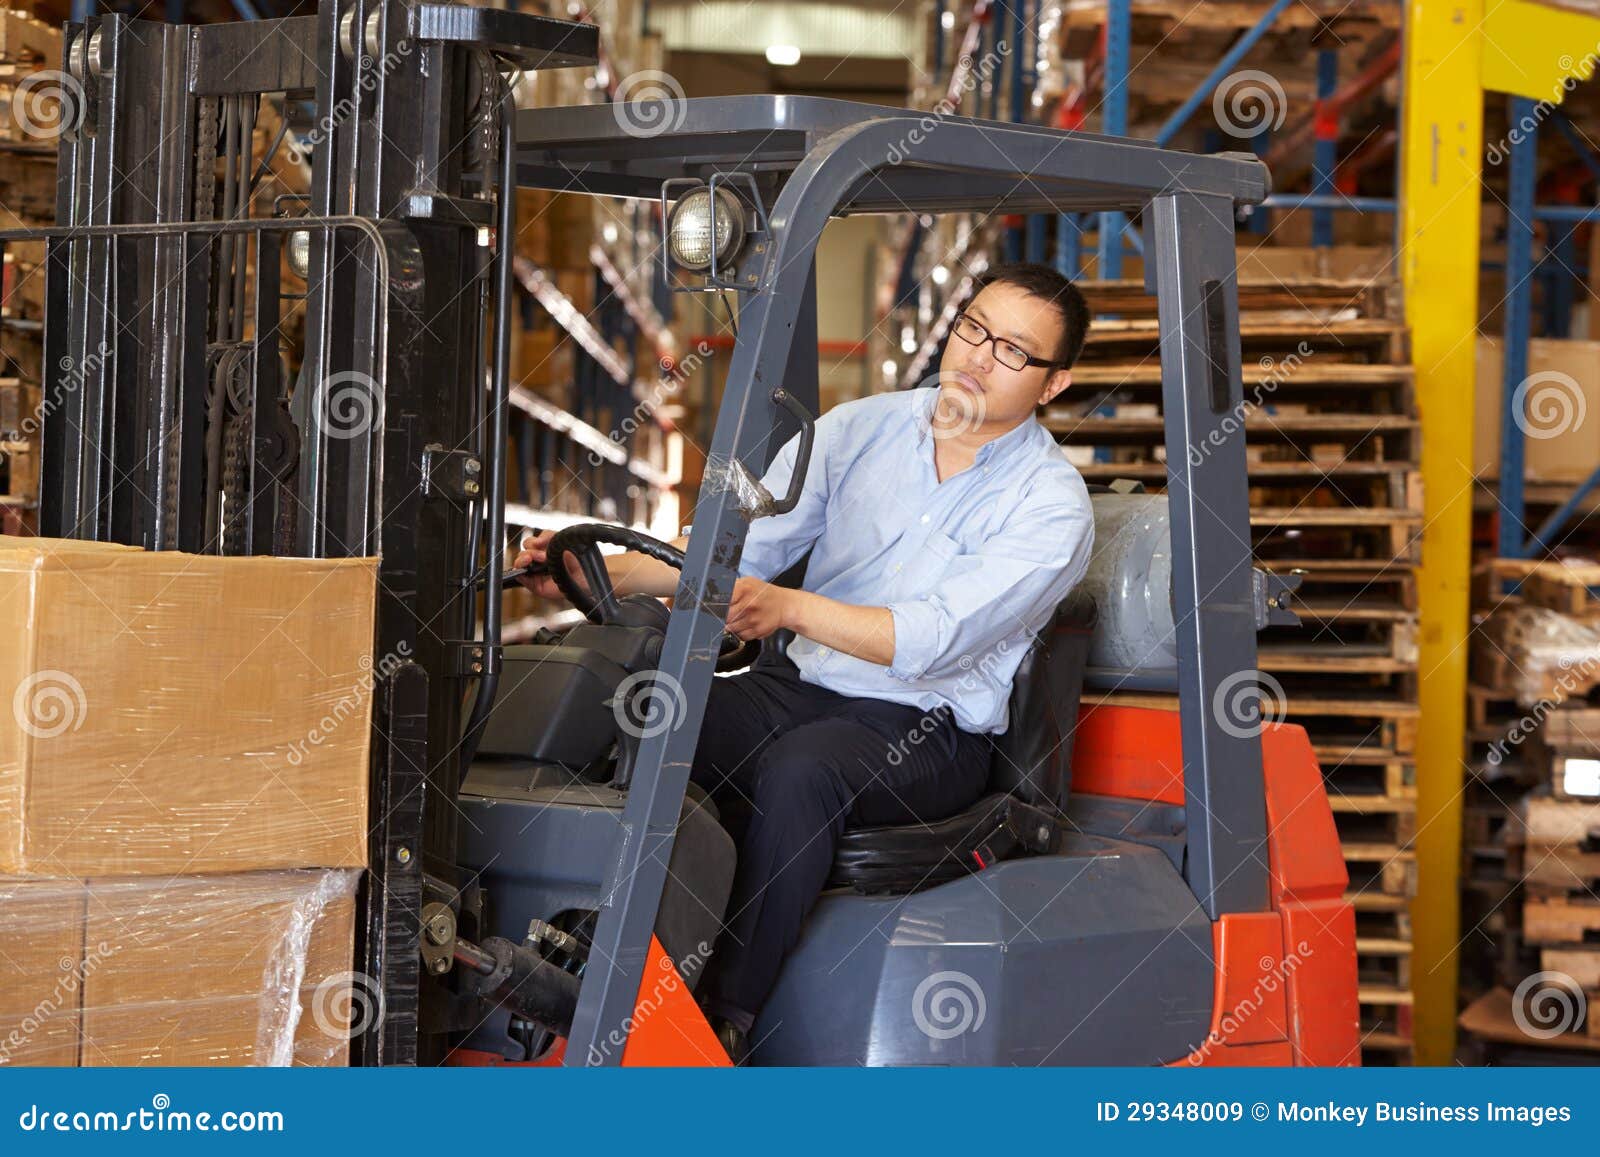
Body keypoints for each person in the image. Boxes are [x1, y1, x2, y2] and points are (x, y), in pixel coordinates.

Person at [515, 262, 1095, 1062]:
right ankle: (605, 963)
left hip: (928, 729)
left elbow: (933, 638)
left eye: (1013, 351)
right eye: (973, 327)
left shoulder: (1051, 502)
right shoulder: (859, 429)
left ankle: (725, 1020)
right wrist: (597, 567)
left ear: (1054, 382)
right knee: (648, 711)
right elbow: (729, 551)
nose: (977, 355)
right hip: (804, 689)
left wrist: (788, 608)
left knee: (803, 770)